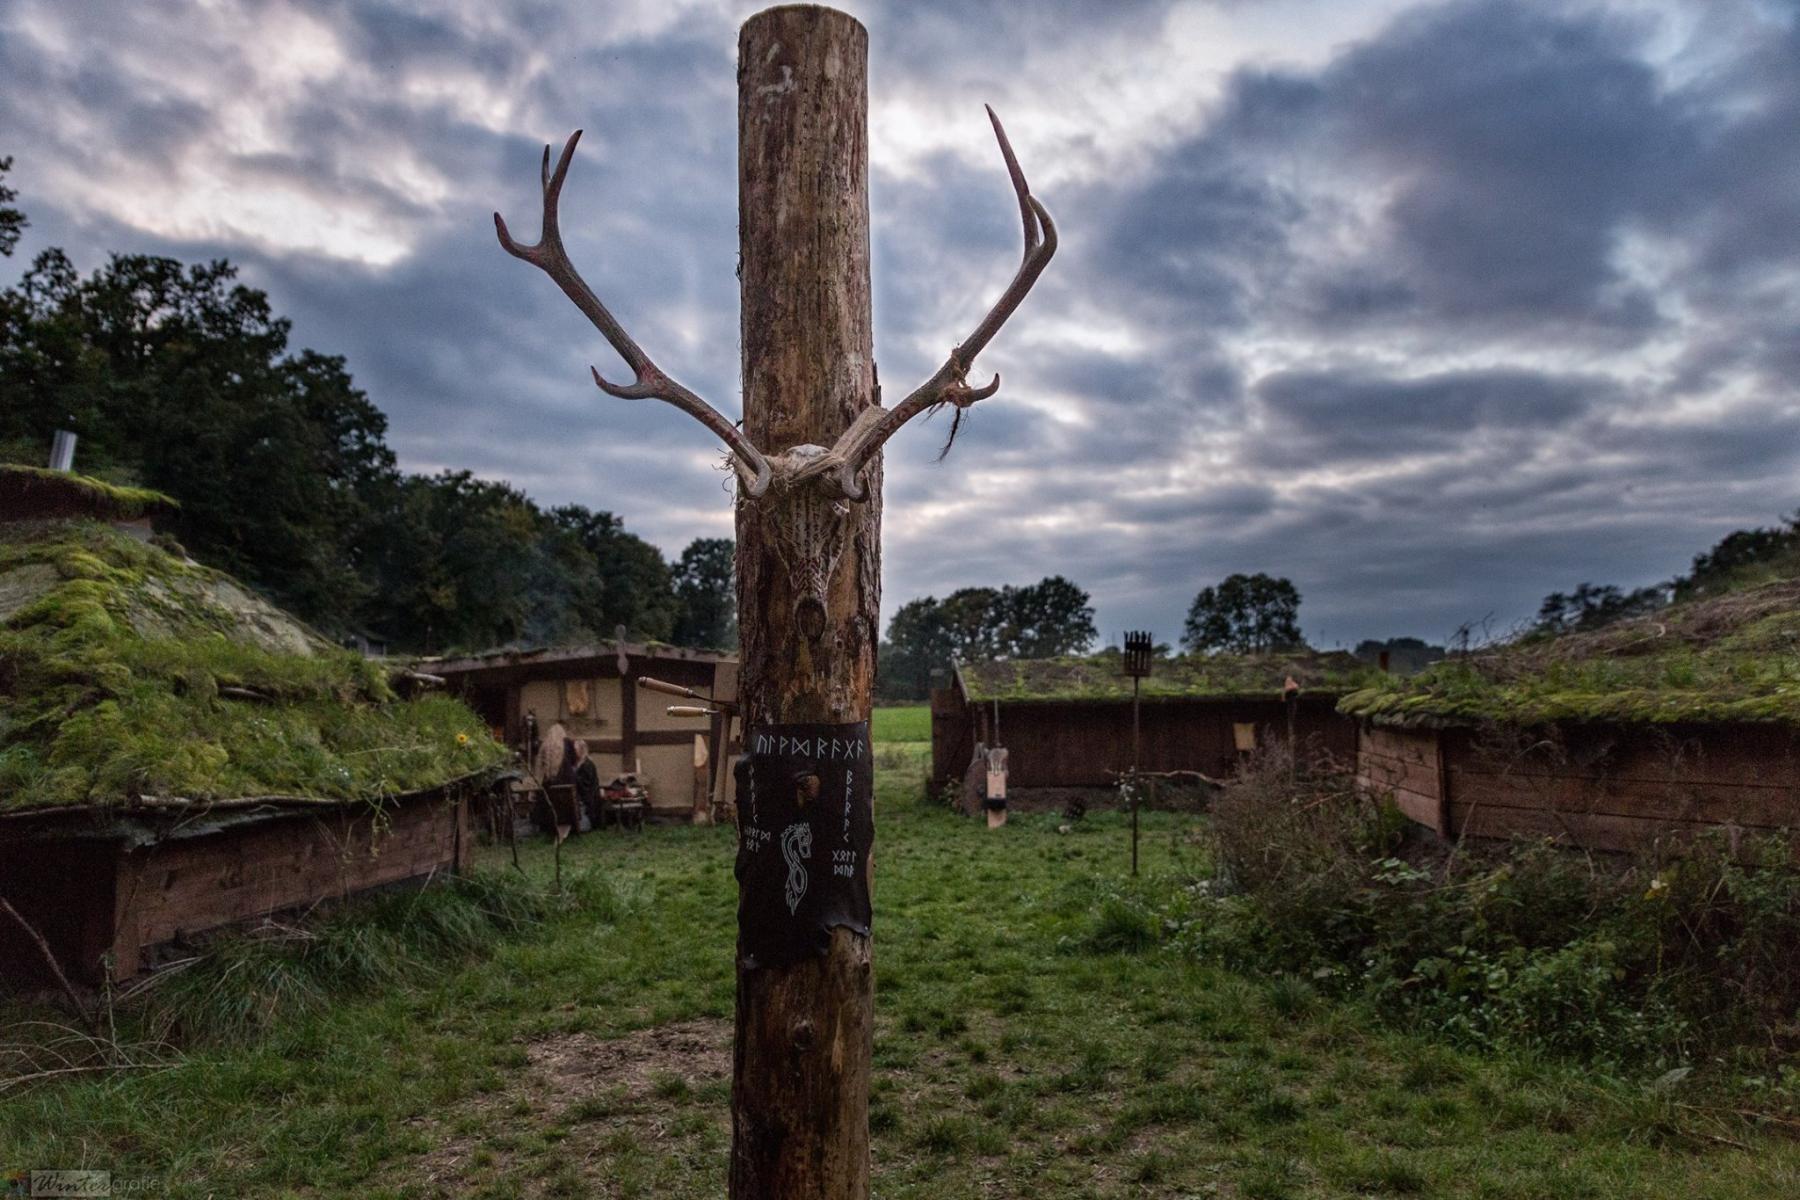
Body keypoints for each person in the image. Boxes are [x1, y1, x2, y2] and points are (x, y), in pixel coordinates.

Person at [573, 740, 601, 829]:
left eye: (575, 750)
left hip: (589, 797)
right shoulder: (578, 764)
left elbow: (586, 785)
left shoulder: (587, 764)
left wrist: (574, 776)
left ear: (581, 750)